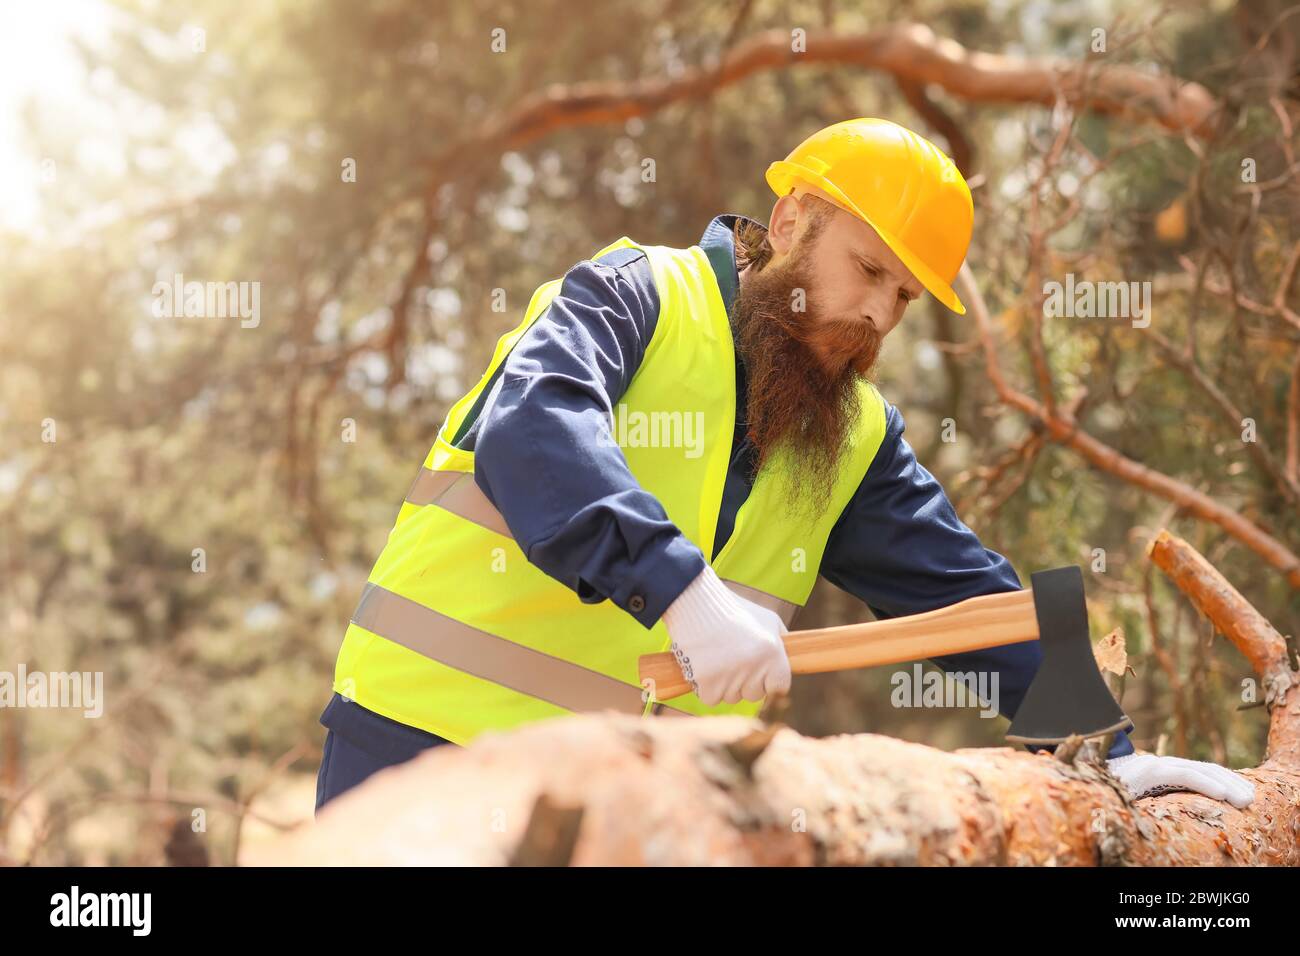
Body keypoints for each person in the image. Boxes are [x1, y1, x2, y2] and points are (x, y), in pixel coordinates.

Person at [315, 118, 1253, 814]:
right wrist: (681, 589)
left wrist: (1104, 740)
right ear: (795, 217)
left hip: (627, 816)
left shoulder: (853, 435)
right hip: (416, 760)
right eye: (868, 268)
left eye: (904, 294)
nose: (881, 315)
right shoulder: (634, 292)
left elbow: (966, 597)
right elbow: (536, 430)